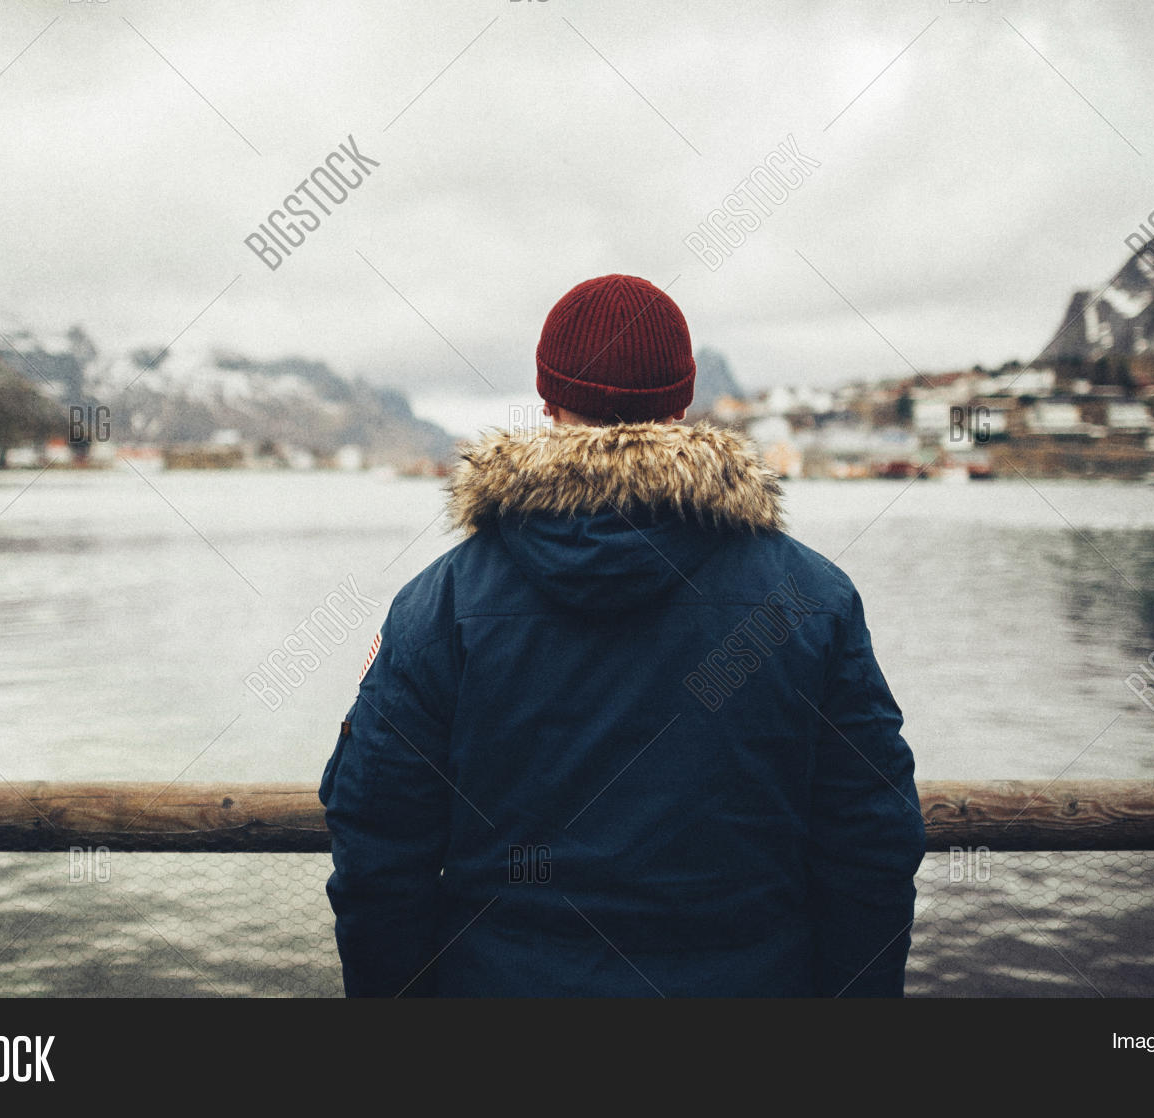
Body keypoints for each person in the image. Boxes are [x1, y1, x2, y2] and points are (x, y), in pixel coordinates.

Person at [320, 273, 924, 996]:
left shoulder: (438, 607)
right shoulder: (812, 601)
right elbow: (872, 844)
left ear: (547, 403)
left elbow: (379, 848)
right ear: (683, 403)